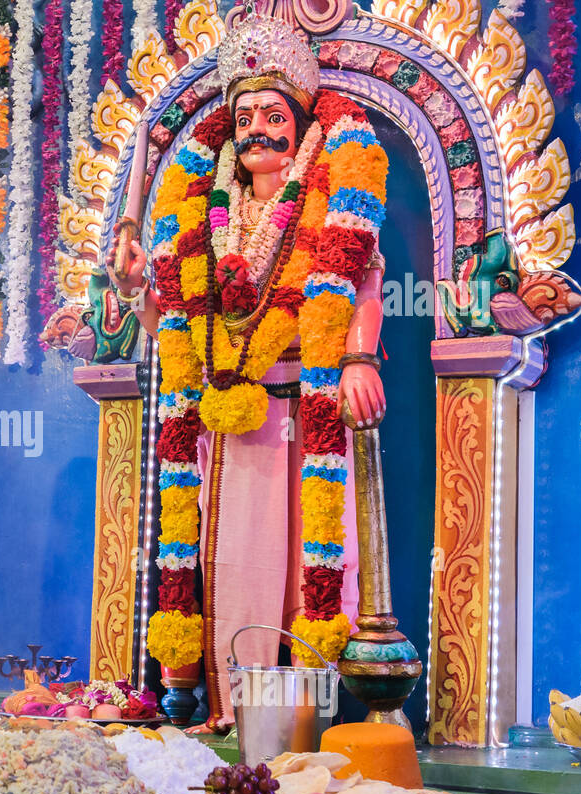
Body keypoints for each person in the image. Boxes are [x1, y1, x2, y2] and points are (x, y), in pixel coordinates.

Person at [108, 9, 387, 729]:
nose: (259, 127)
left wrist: (358, 354)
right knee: (234, 565)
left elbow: (364, 278)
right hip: (230, 417)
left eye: (273, 113)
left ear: (297, 121)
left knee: (312, 565)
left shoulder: (331, 202)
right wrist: (138, 287)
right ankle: (232, 715)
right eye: (246, 115)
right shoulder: (201, 215)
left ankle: (304, 723)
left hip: (307, 406)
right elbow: (174, 326)